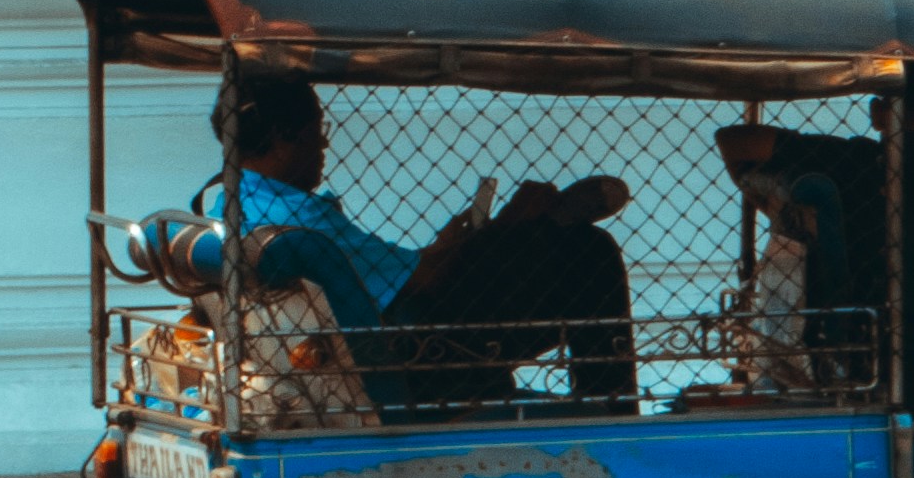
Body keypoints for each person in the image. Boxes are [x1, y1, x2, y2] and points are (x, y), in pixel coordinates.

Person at [126, 72, 637, 416]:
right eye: (315, 135)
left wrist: (461, 241)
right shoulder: (302, 222)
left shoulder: (227, 204)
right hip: (415, 358)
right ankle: (612, 408)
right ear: (284, 137)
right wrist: (502, 229)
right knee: (586, 252)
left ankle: (543, 226)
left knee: (525, 240)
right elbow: (424, 280)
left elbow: (401, 269)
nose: (322, 151)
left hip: (336, 344)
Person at [716, 62, 914, 435]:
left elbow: (735, 141)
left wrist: (774, 204)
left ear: (880, 113)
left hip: (875, 391)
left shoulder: (846, 163)